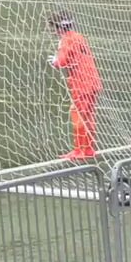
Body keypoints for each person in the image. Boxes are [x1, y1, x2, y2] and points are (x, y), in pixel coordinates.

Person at [48, 11, 103, 161]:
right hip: (92, 81)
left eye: (54, 28)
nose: (53, 31)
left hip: (82, 83)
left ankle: (79, 150)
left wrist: (54, 61)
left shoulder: (67, 40)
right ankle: (89, 148)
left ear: (60, 28)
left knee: (77, 114)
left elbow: (62, 61)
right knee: (89, 116)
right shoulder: (79, 37)